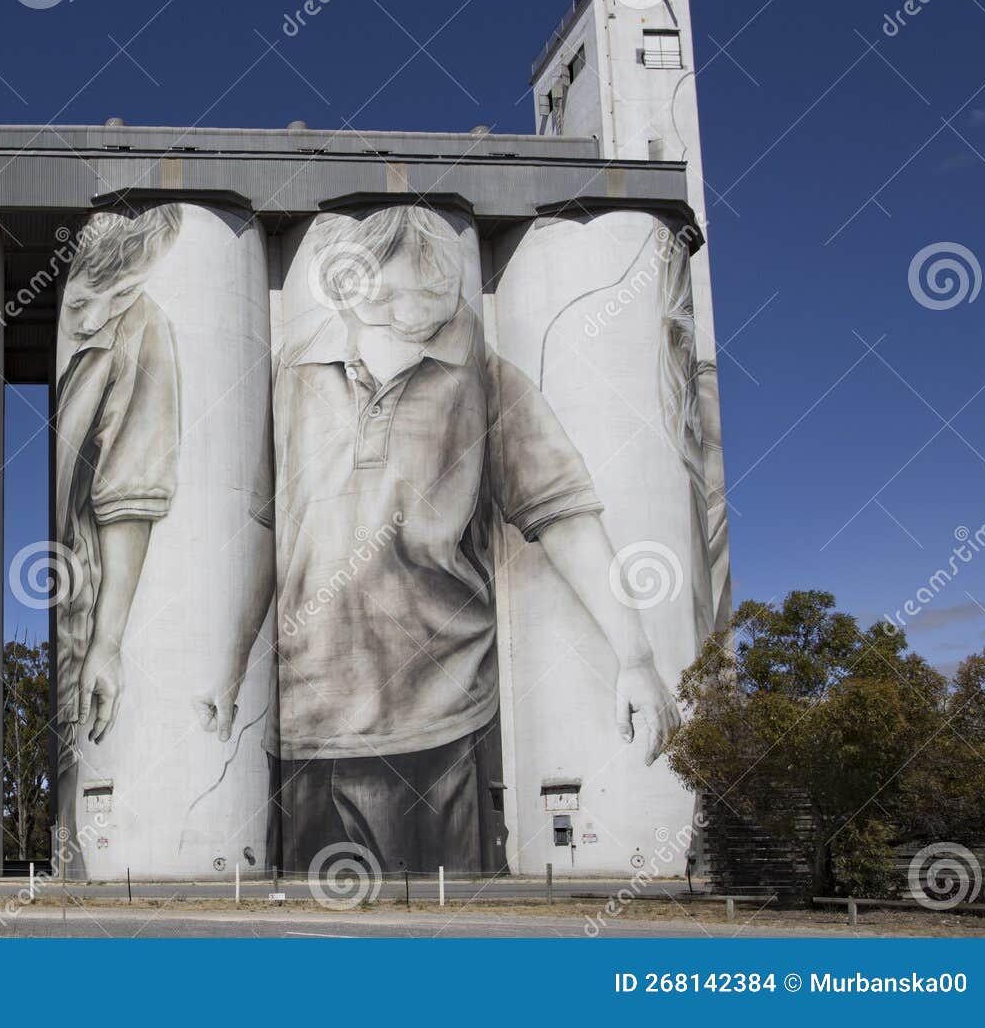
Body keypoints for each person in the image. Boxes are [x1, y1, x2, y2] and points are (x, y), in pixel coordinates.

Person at [268, 204, 681, 875]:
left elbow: (564, 512)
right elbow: (256, 530)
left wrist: (635, 656)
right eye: (394, 320)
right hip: (296, 717)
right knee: (290, 926)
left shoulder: (482, 375)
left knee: (430, 922)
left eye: (433, 326)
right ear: (350, 295)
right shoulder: (290, 374)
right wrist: (227, 678)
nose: (418, 344)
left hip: (435, 720)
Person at [51, 203, 182, 867]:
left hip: (74, 608)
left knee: (76, 799)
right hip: (65, 601)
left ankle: (74, 867)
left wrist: (106, 641)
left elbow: (127, 494)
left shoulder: (141, 327)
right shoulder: (113, 318)